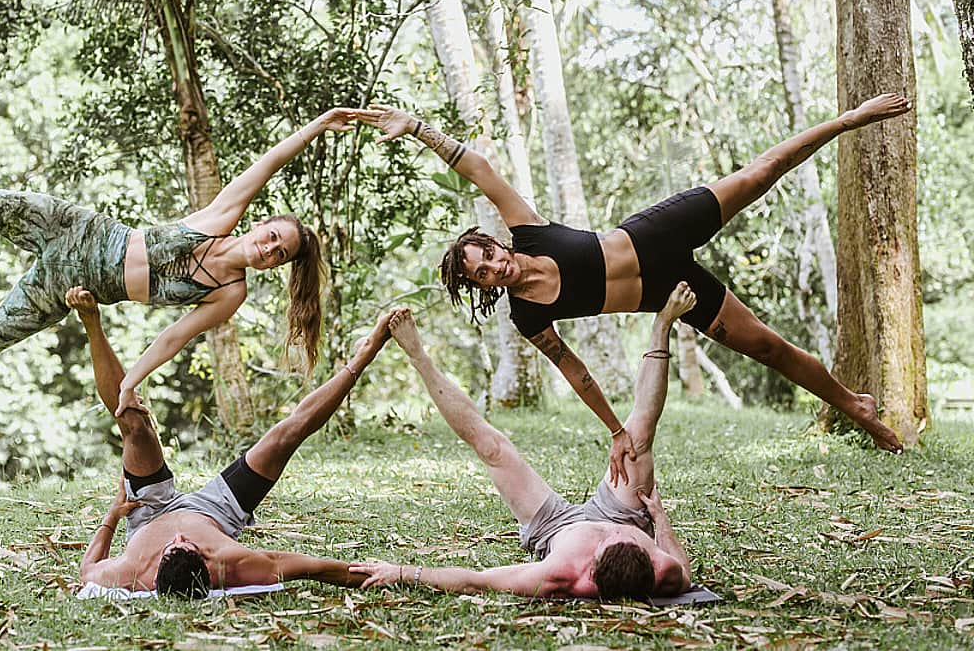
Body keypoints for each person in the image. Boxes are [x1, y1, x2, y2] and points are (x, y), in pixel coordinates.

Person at [357, 95, 909, 457]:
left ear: (497, 244)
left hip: (657, 234)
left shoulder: (527, 232)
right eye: (483, 274)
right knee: (767, 348)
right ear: (483, 287)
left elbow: (478, 168)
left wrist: (418, 129)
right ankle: (854, 406)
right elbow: (576, 372)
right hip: (674, 294)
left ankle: (848, 118)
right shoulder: (528, 315)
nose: (495, 266)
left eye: (489, 255)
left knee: (759, 174)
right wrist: (617, 431)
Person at [0, 108, 380, 439]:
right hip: (72, 228)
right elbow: (271, 159)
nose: (268, 250)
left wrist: (133, 380)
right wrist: (322, 123)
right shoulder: (221, 216)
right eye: (271, 237)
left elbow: (172, 337)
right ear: (260, 225)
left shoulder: (229, 292)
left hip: (70, 290)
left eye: (278, 254)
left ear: (278, 267)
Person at [349, 285, 698, 600]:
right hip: (620, 512)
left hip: (555, 529)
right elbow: (684, 575)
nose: (605, 535)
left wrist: (401, 572)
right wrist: (658, 517)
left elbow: (477, 581)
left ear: (588, 574)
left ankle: (418, 357)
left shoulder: (557, 575)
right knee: (638, 437)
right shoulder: (665, 570)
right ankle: (663, 323)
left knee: (493, 450)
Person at [70, 286, 393, 594]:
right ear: (211, 568)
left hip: (146, 512)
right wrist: (393, 575)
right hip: (216, 512)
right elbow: (319, 569)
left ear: (153, 574)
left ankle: (91, 321)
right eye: (188, 545)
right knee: (287, 435)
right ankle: (367, 352)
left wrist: (112, 515)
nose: (179, 536)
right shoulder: (236, 565)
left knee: (133, 424)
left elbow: (88, 569)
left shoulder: (127, 574)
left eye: (174, 546)